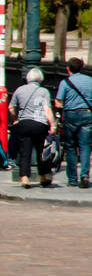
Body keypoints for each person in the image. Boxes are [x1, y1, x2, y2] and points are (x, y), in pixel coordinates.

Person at [9, 67, 57, 188]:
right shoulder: (44, 91)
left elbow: (11, 107)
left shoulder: (19, 90)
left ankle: (25, 178)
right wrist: (53, 125)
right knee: (42, 151)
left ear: (28, 78)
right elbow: (47, 110)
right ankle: (43, 176)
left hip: (24, 123)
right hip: (40, 124)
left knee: (25, 152)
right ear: (40, 79)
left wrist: (15, 119)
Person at [54, 57, 92, 188]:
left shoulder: (65, 82)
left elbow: (58, 102)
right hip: (87, 114)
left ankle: (72, 179)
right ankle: (85, 175)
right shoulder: (90, 81)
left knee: (70, 146)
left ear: (68, 69)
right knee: (85, 146)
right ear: (81, 68)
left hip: (71, 115)